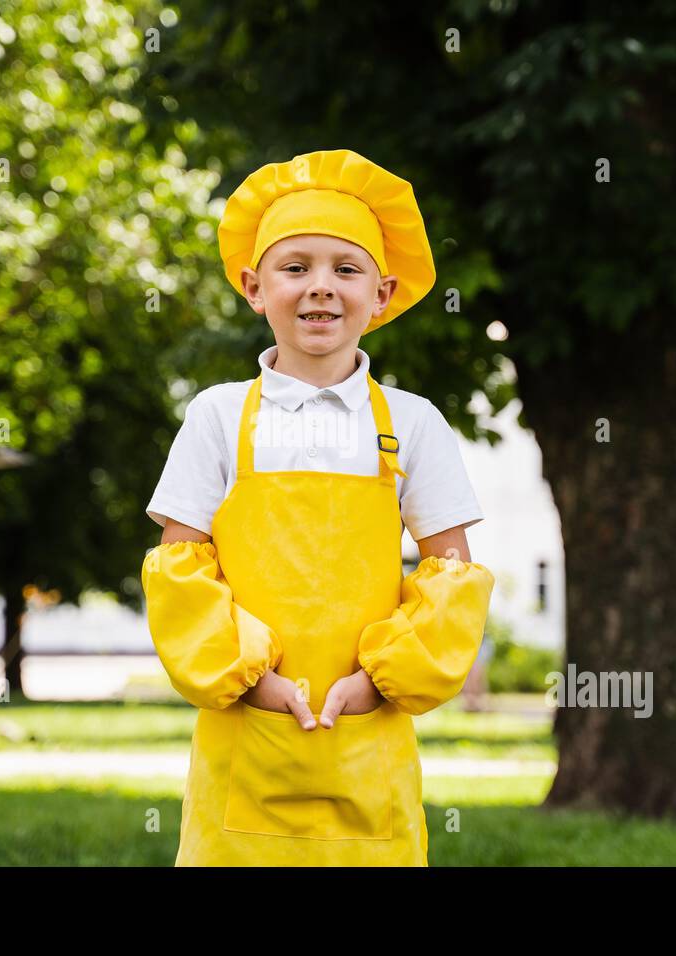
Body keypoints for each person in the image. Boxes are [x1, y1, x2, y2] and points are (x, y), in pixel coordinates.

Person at [140, 149, 495, 866]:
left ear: (383, 291)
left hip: (369, 738)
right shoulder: (218, 416)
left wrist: (381, 682)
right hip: (244, 738)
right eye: (295, 267)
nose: (321, 288)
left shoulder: (412, 421)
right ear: (253, 286)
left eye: (346, 268)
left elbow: (450, 571)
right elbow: (180, 567)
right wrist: (250, 680)